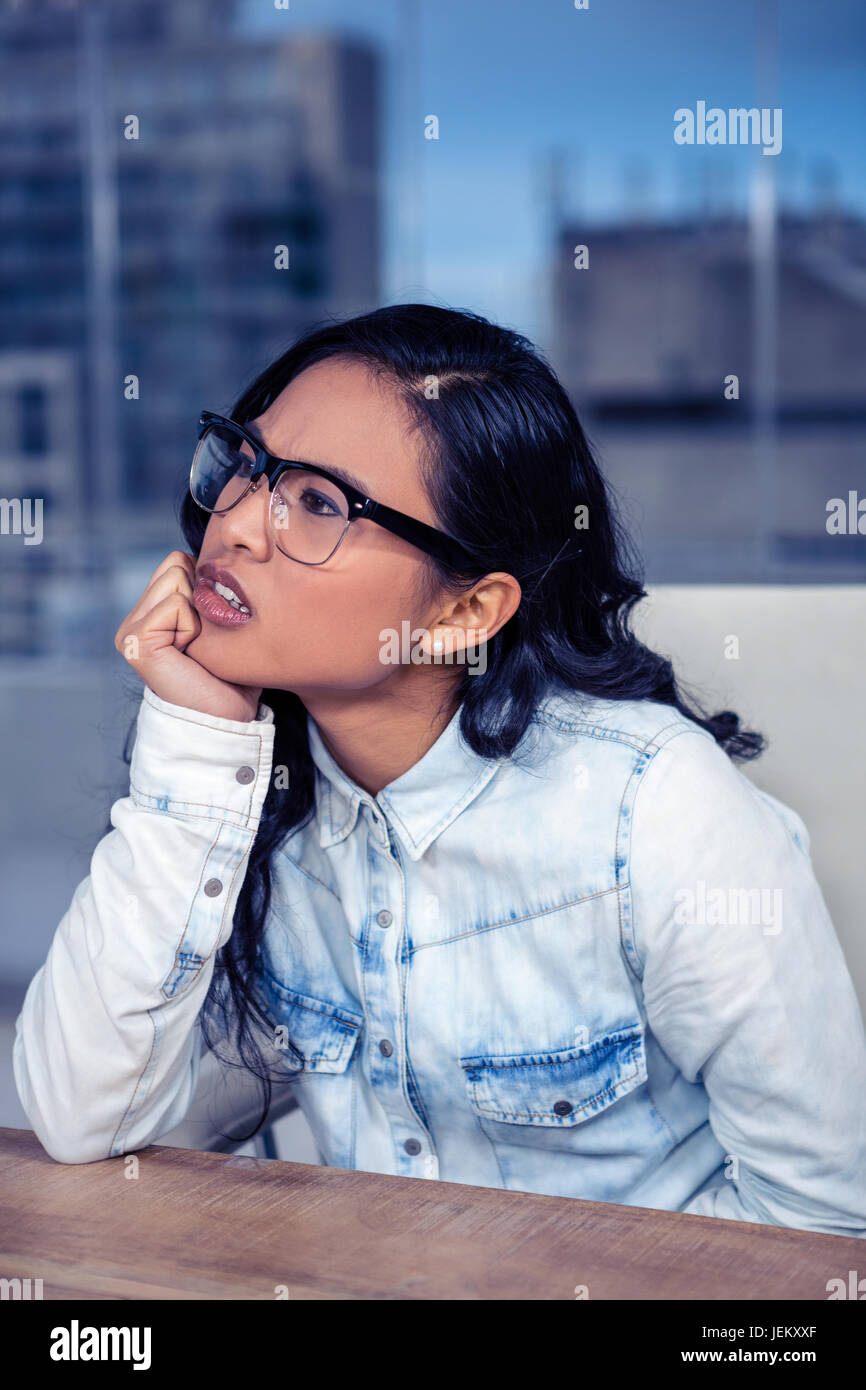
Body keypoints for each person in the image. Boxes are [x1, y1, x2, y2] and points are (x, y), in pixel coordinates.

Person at [14, 303, 866, 1235]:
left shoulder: (657, 814)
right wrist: (192, 750)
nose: (239, 525)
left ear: (465, 612)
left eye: (318, 504)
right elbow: (87, 1120)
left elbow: (822, 1225)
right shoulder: (263, 803)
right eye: (248, 465)